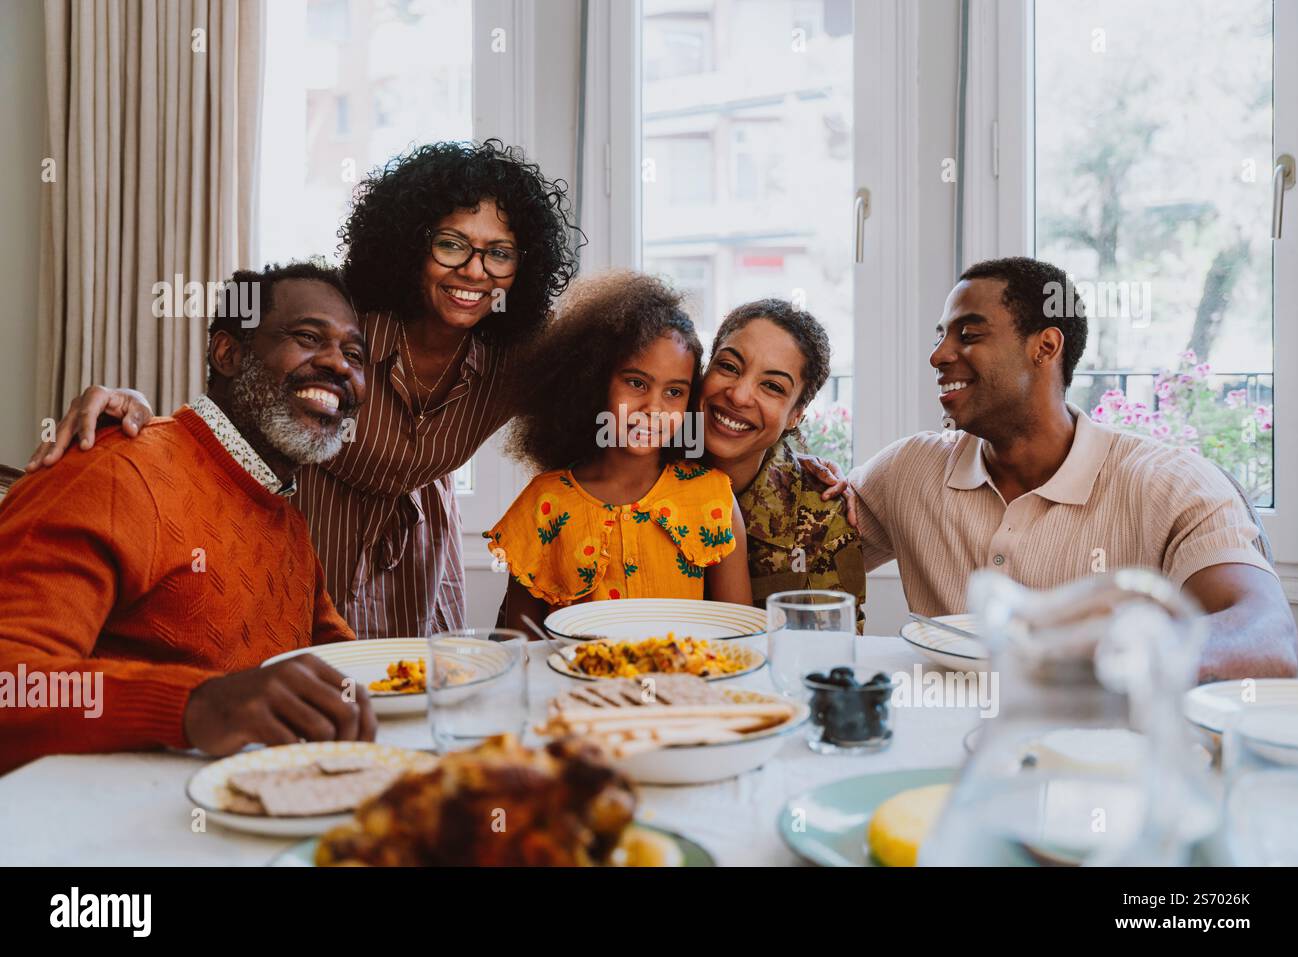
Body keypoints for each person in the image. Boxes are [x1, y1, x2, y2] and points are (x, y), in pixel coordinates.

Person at [28, 140, 580, 638]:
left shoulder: (521, 358)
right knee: (297, 685)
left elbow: (622, 391)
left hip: (419, 548)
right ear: (414, 245)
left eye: (499, 253)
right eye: (452, 244)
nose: (475, 271)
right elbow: (244, 383)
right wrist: (139, 410)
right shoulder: (346, 321)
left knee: (417, 700)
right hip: (308, 522)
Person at [844, 256, 1298, 682]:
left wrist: (1103, 659)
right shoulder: (908, 470)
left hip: (1101, 754)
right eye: (940, 336)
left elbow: (1268, 641)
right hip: (942, 746)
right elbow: (796, 554)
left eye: (969, 334)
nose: (939, 355)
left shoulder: (1171, 484)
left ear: (1045, 346)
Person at [0, 263, 377, 774]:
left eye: (355, 355)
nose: (338, 364)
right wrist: (199, 704)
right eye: (309, 337)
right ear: (228, 353)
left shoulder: (285, 520)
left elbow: (343, 668)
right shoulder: (114, 470)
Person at [487, 272, 751, 632]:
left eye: (674, 392)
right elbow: (521, 650)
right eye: (636, 383)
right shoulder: (543, 503)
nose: (653, 408)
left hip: (686, 687)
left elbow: (743, 637)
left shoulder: (713, 498)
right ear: (593, 380)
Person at [698, 299, 865, 626]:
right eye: (729, 367)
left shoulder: (822, 515)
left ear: (795, 415)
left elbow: (827, 662)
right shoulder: (640, 471)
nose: (740, 395)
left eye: (772, 387)